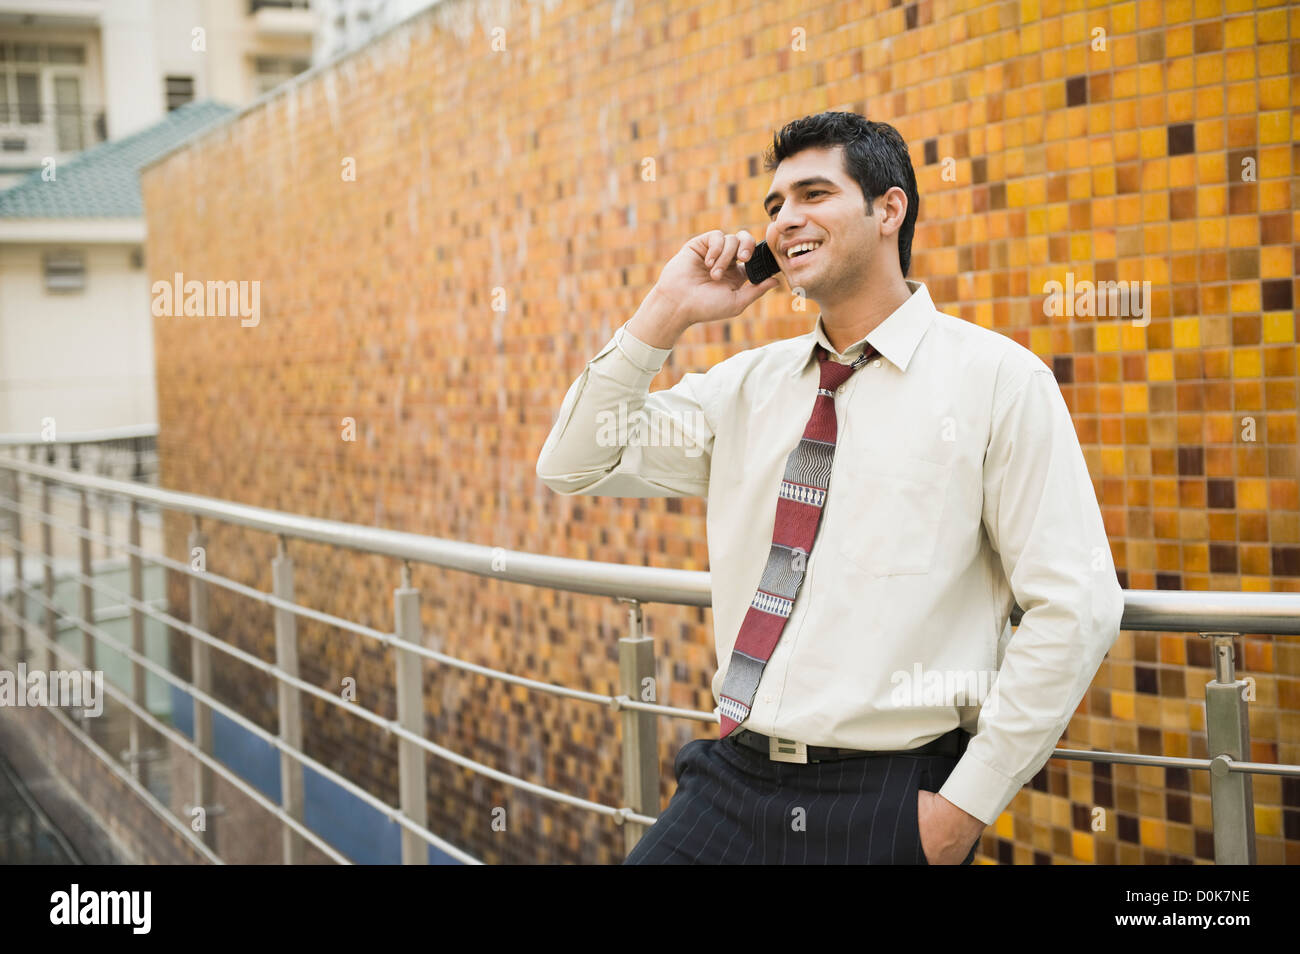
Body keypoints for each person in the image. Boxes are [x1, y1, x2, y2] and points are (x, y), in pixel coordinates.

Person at [535, 111, 1124, 865]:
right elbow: (573, 463)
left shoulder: (999, 383)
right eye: (774, 205)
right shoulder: (745, 387)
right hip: (730, 775)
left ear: (889, 209)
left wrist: (961, 811)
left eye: (813, 194)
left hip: (886, 797)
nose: (785, 220)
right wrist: (666, 311)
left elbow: (1076, 604)